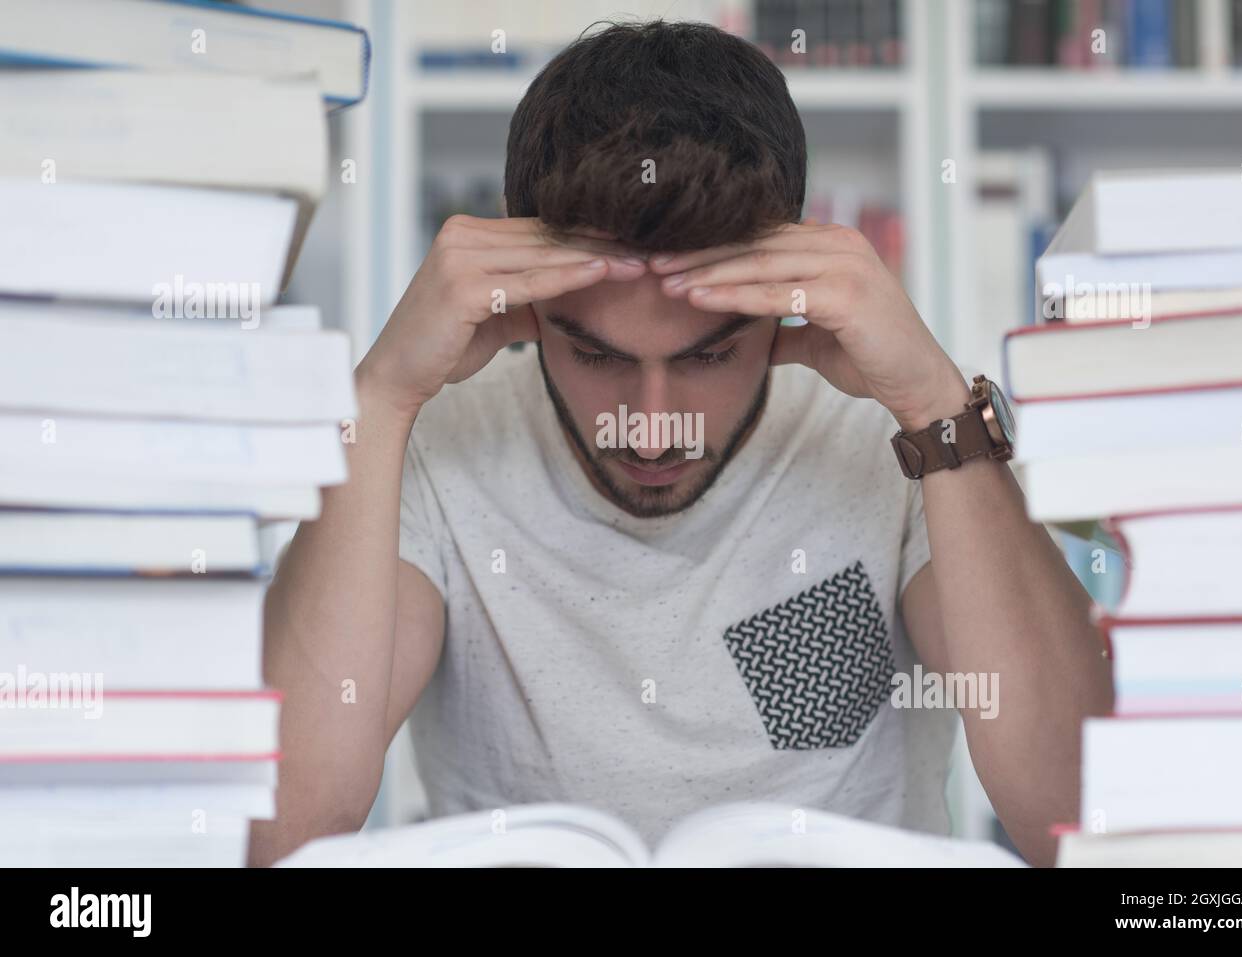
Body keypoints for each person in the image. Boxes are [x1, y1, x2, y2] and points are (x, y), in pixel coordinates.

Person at [250, 19, 1112, 867]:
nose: (653, 421)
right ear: (525, 311)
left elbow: (1075, 816)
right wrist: (378, 396)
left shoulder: (901, 449)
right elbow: (280, 835)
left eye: (708, 355)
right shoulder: (433, 445)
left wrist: (935, 405)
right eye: (596, 354)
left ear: (784, 302)